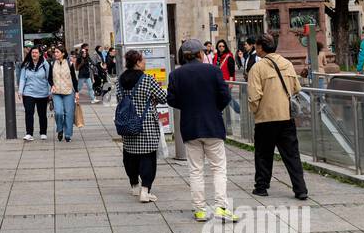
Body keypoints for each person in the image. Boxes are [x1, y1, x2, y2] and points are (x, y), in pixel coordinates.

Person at [168, 39, 240, 222]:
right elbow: (225, 96)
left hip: (190, 126)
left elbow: (171, 100)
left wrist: (187, 106)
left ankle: (199, 209)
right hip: (212, 125)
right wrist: (214, 108)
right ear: (201, 53)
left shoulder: (176, 74)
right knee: (218, 168)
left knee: (195, 169)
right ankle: (221, 207)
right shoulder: (213, 71)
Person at [246, 34, 308, 200]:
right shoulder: (287, 63)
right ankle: (300, 189)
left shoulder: (257, 68)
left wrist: (255, 111)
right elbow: (296, 88)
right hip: (286, 116)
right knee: (292, 154)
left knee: (263, 154)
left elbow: (254, 96)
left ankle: (261, 187)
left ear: (260, 48)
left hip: (266, 118)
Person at [117, 49, 166, 203]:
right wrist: (152, 100)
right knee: (148, 156)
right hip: (146, 125)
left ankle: (134, 187)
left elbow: (120, 98)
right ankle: (145, 191)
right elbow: (163, 97)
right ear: (137, 62)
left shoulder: (121, 79)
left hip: (127, 123)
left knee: (129, 155)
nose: (145, 62)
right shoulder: (147, 79)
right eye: (143, 60)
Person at [18, 46, 52, 140]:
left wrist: (50, 92)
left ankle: (43, 132)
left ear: (40, 54)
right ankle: (29, 133)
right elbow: (22, 79)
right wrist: (20, 91)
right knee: (29, 112)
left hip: (42, 93)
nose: (34, 54)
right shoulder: (26, 64)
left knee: (42, 114)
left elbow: (49, 78)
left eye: (36, 52)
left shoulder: (45, 64)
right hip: (28, 93)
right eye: (33, 52)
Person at [48, 46, 77, 142]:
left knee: (69, 114)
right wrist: (52, 85)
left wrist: (76, 91)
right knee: (59, 112)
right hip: (56, 92)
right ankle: (60, 129)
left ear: (63, 53)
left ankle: (68, 134)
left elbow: (74, 78)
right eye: (55, 52)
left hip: (68, 92)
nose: (55, 54)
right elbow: (49, 78)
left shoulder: (70, 64)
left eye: (57, 52)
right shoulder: (52, 63)